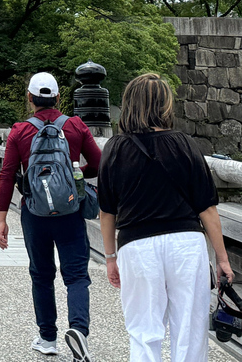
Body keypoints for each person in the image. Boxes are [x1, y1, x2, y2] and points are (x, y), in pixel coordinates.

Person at [98, 72, 234, 362]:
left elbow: (107, 212)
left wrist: (110, 257)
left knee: (143, 333)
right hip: (185, 244)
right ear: (165, 105)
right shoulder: (185, 144)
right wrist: (222, 259)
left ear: (129, 104)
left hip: (137, 246)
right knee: (190, 331)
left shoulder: (115, 148)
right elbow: (207, 208)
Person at [0, 72, 101, 360]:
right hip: (70, 210)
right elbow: (99, 163)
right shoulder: (75, 126)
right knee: (76, 275)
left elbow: (7, 175)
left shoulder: (20, 131)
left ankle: (47, 338)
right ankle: (79, 330)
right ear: (58, 98)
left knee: (41, 275)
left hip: (34, 213)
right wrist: (72, 176)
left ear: (29, 98)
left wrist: (1, 219)